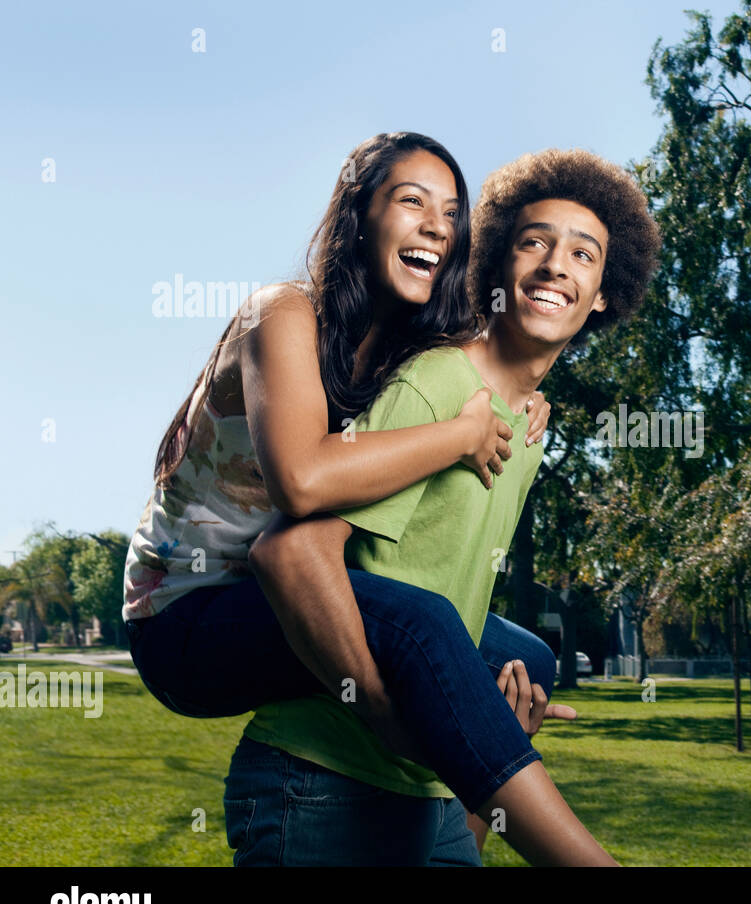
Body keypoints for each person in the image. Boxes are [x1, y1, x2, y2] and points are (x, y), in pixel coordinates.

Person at [123, 132, 554, 858]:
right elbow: (303, 480)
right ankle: (392, 727)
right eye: (411, 201)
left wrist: (519, 399)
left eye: (451, 214)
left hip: (286, 593)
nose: (436, 227)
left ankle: (452, 844)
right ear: (359, 216)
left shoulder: (409, 356)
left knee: (527, 661)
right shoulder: (281, 314)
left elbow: (489, 369)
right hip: (187, 622)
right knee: (421, 627)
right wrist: (460, 435)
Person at [226, 148, 661, 866]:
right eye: (534, 243)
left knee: (528, 658)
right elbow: (297, 549)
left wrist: (481, 735)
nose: (556, 265)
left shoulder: (528, 431)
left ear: (604, 292)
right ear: (496, 265)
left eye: (583, 254)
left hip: (432, 801)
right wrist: (390, 718)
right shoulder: (437, 385)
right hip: (322, 781)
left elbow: (452, 602)